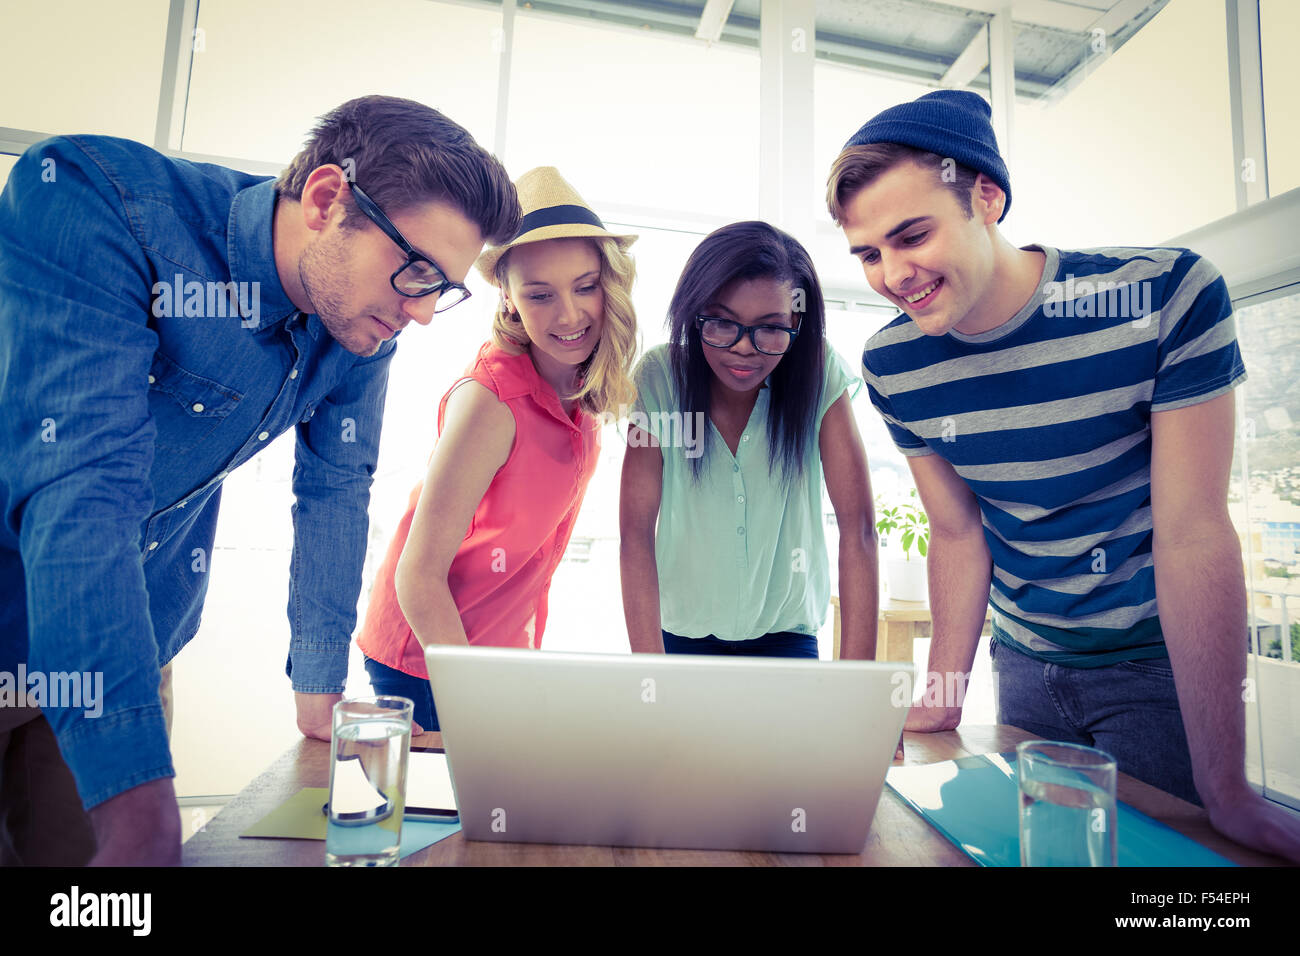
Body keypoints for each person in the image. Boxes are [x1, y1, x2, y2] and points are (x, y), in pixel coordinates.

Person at [0, 95, 518, 865]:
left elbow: (337, 488)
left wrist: (319, 685)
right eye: (414, 272)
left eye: (441, 288)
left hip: (134, 643)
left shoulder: (358, 329)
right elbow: (84, 489)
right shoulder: (94, 197)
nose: (420, 316)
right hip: (32, 605)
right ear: (326, 199)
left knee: (97, 905)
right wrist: (140, 799)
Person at [826, 89, 1300, 861]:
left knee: (1164, 891)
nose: (892, 274)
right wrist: (944, 696)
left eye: (911, 235)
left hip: (1152, 667)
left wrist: (1229, 790)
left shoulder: (1163, 296)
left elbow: (1191, 532)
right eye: (869, 253)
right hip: (1023, 662)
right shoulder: (894, 363)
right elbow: (956, 529)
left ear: (987, 196)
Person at [357, 167, 638, 737]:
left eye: (585, 286)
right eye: (540, 294)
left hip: (497, 658)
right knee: (459, 824)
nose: (569, 315)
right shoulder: (490, 401)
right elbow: (418, 575)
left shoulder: (583, 387)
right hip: (429, 662)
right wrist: (476, 697)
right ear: (509, 301)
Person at [621, 221, 878, 661]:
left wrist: (858, 688)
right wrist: (650, 669)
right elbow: (635, 533)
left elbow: (858, 530)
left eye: (770, 328)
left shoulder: (818, 372)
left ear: (796, 321)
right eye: (722, 323)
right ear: (694, 312)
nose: (744, 348)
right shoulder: (660, 377)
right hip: (678, 642)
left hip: (788, 642)